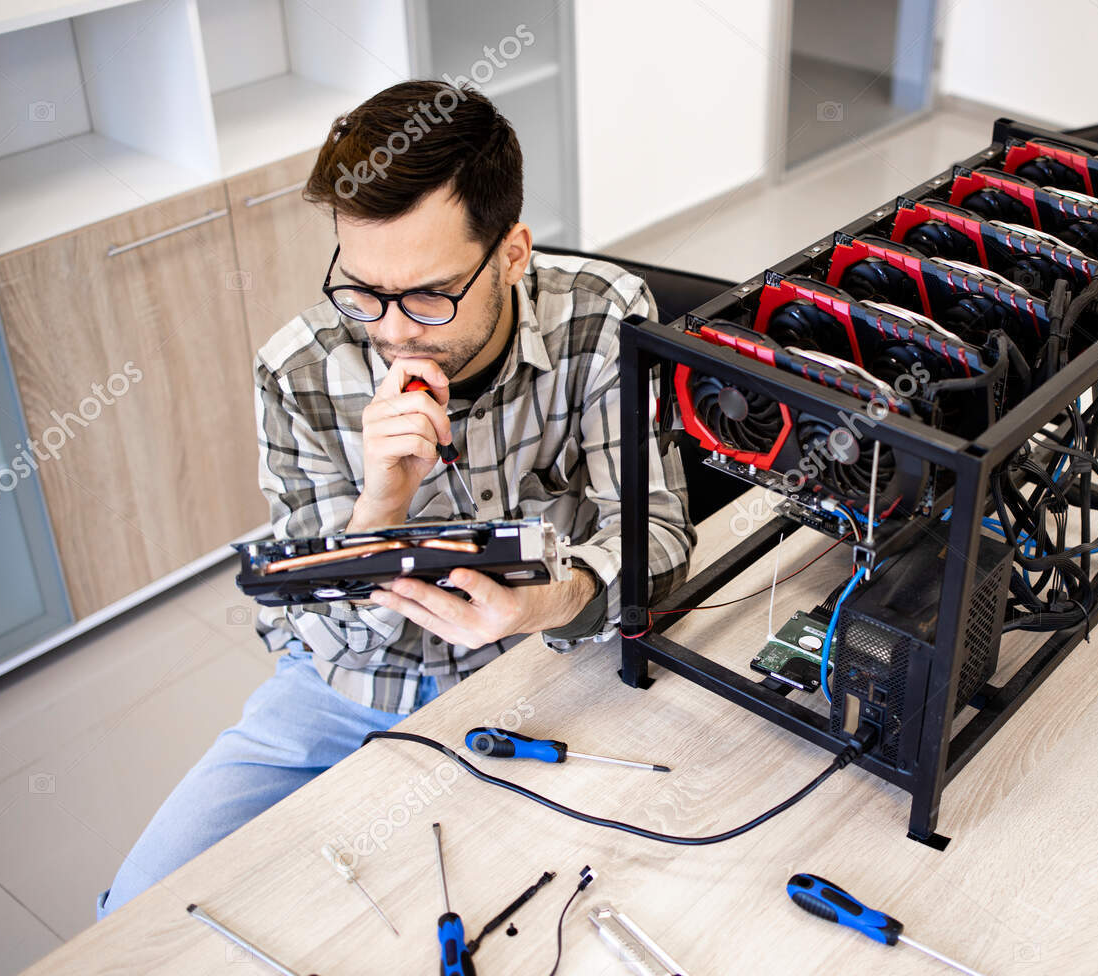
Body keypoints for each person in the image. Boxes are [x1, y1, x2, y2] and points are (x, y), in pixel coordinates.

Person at [98, 80, 693, 917]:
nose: (391, 331)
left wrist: (550, 604)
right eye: (363, 290)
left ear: (514, 252)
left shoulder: (600, 319)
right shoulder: (301, 370)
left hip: (539, 665)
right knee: (135, 907)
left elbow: (661, 530)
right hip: (353, 685)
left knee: (578, 893)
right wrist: (380, 504)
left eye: (427, 293)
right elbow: (311, 631)